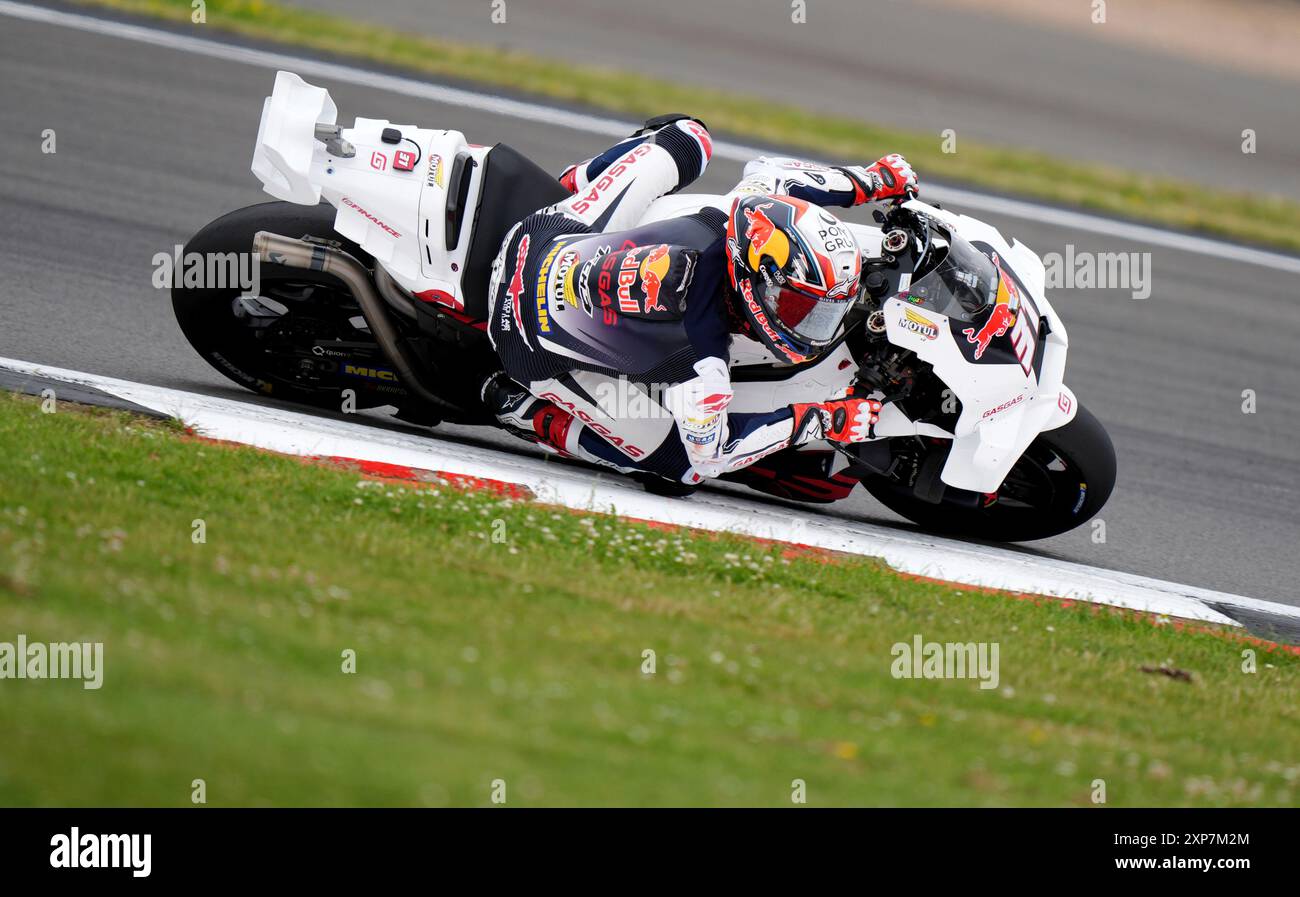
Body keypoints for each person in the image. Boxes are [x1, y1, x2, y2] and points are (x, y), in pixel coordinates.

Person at [483, 114, 918, 487]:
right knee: (680, 472)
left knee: (688, 137)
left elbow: (774, 174)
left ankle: (571, 185)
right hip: (520, 342)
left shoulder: (733, 214)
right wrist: (821, 420)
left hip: (537, 235)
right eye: (796, 306)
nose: (810, 324)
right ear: (755, 283)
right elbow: (713, 455)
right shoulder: (703, 367)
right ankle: (525, 412)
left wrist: (872, 180)